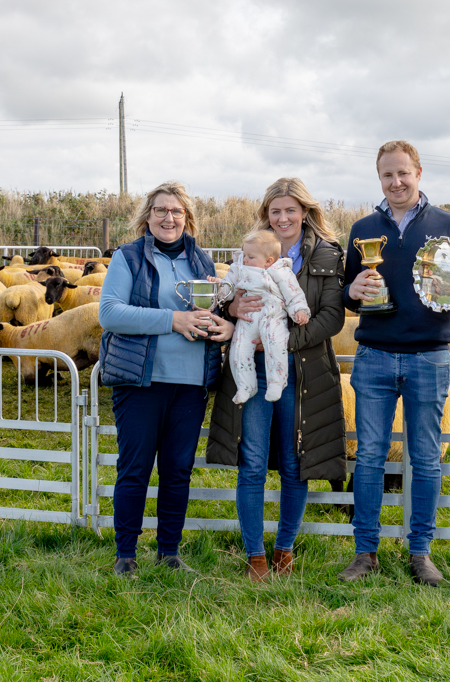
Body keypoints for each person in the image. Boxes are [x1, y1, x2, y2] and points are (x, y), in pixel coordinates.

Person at [338, 140, 450, 586]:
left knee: (425, 458)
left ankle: (421, 552)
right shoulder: (363, 227)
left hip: (428, 356)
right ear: (378, 177)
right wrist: (354, 290)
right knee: (369, 457)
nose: (396, 182)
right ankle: (365, 553)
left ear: (419, 172)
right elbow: (347, 293)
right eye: (387, 175)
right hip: (375, 355)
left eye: (403, 173)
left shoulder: (449, 226)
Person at [207, 178, 347, 582]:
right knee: (251, 462)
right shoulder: (248, 252)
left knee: (294, 461)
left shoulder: (325, 255)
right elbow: (226, 302)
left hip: (299, 371)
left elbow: (331, 316)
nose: (283, 218)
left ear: (304, 211)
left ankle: (285, 547)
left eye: (290, 210)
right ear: (266, 214)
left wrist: (283, 344)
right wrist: (231, 305)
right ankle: (255, 554)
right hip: (252, 366)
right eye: (275, 211)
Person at [97, 181, 234, 576]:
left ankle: (169, 551)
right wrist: (173, 320)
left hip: (191, 383)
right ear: (148, 216)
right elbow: (110, 313)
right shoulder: (128, 258)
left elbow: (212, 311)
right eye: (160, 210)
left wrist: (219, 325)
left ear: (187, 218)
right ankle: (126, 554)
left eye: (176, 211)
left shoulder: (204, 263)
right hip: (141, 380)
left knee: (177, 469)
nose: (168, 218)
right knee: (135, 466)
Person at [220, 229, 311, 404]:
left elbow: (293, 294)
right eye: (245, 254)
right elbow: (228, 287)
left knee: (276, 346)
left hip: (272, 316)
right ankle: (246, 386)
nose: (245, 259)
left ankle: (277, 382)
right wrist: (218, 288)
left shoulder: (281, 271)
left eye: (250, 257)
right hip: (247, 318)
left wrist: (300, 311)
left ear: (269, 261)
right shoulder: (239, 268)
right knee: (239, 349)